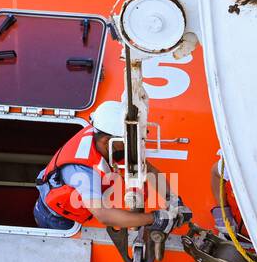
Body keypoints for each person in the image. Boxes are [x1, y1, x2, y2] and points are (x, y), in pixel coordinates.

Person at [34, 100, 190, 233]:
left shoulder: (104, 135)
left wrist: (174, 200)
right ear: (107, 141)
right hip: (56, 218)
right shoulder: (84, 171)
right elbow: (103, 215)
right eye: (127, 140)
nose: (132, 145)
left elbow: (149, 169)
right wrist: (154, 219)